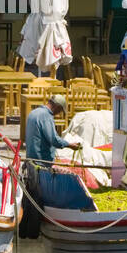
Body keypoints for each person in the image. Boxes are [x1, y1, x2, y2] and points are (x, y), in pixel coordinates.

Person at [20, 94, 83, 238]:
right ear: (57, 107)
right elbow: (53, 139)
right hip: (41, 163)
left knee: (29, 198)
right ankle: (33, 233)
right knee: (38, 198)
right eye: (60, 111)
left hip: (30, 161)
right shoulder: (46, 116)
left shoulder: (34, 113)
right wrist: (69, 144)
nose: (59, 114)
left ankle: (24, 231)